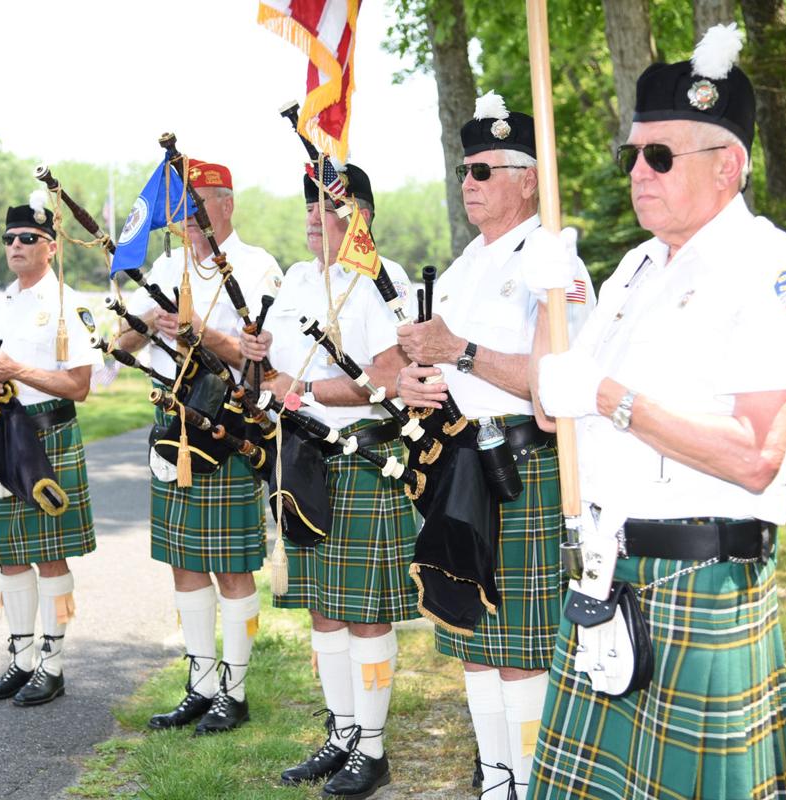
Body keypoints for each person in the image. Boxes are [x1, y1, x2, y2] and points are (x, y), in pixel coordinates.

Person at [525, 24, 786, 798]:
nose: (639, 170)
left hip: (698, 582)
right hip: (607, 573)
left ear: (728, 166)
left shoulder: (775, 270)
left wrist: (608, 397)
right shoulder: (633, 268)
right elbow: (548, 409)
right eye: (632, 154)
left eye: (660, 156)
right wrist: (549, 301)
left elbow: (753, 454)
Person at [393, 92, 594, 799]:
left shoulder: (554, 258)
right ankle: (496, 779)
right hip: (457, 465)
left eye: (482, 171)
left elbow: (551, 386)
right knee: (471, 635)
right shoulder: (462, 265)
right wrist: (415, 380)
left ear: (528, 178)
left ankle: (532, 783)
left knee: (520, 650)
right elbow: (423, 361)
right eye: (463, 171)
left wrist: (461, 351)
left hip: (521, 468)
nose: (467, 184)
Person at [239, 164, 417, 799]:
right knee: (323, 605)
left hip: (361, 456)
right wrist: (256, 362)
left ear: (360, 215)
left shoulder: (382, 279)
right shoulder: (292, 279)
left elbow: (388, 377)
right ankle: (343, 731)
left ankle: (372, 748)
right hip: (303, 457)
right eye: (309, 206)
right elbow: (273, 376)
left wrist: (303, 389)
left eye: (330, 206)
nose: (314, 217)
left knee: (364, 610)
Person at [114, 160, 282, 735]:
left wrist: (199, 334)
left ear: (227, 204)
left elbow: (264, 362)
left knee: (232, 565)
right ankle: (201, 684)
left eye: (199, 202)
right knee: (184, 562)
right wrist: (149, 322)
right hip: (171, 424)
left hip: (226, 424)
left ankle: (233, 694)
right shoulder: (166, 264)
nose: (186, 215)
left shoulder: (257, 268)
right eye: (181, 205)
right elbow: (123, 340)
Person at [0, 195, 102, 707]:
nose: (15, 246)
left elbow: (79, 385)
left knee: (48, 555)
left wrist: (17, 370)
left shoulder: (70, 304)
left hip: (49, 435)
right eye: (9, 239)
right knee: (9, 558)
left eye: (27, 238)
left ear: (49, 246)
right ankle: (20, 659)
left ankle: (53, 662)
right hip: (3, 435)